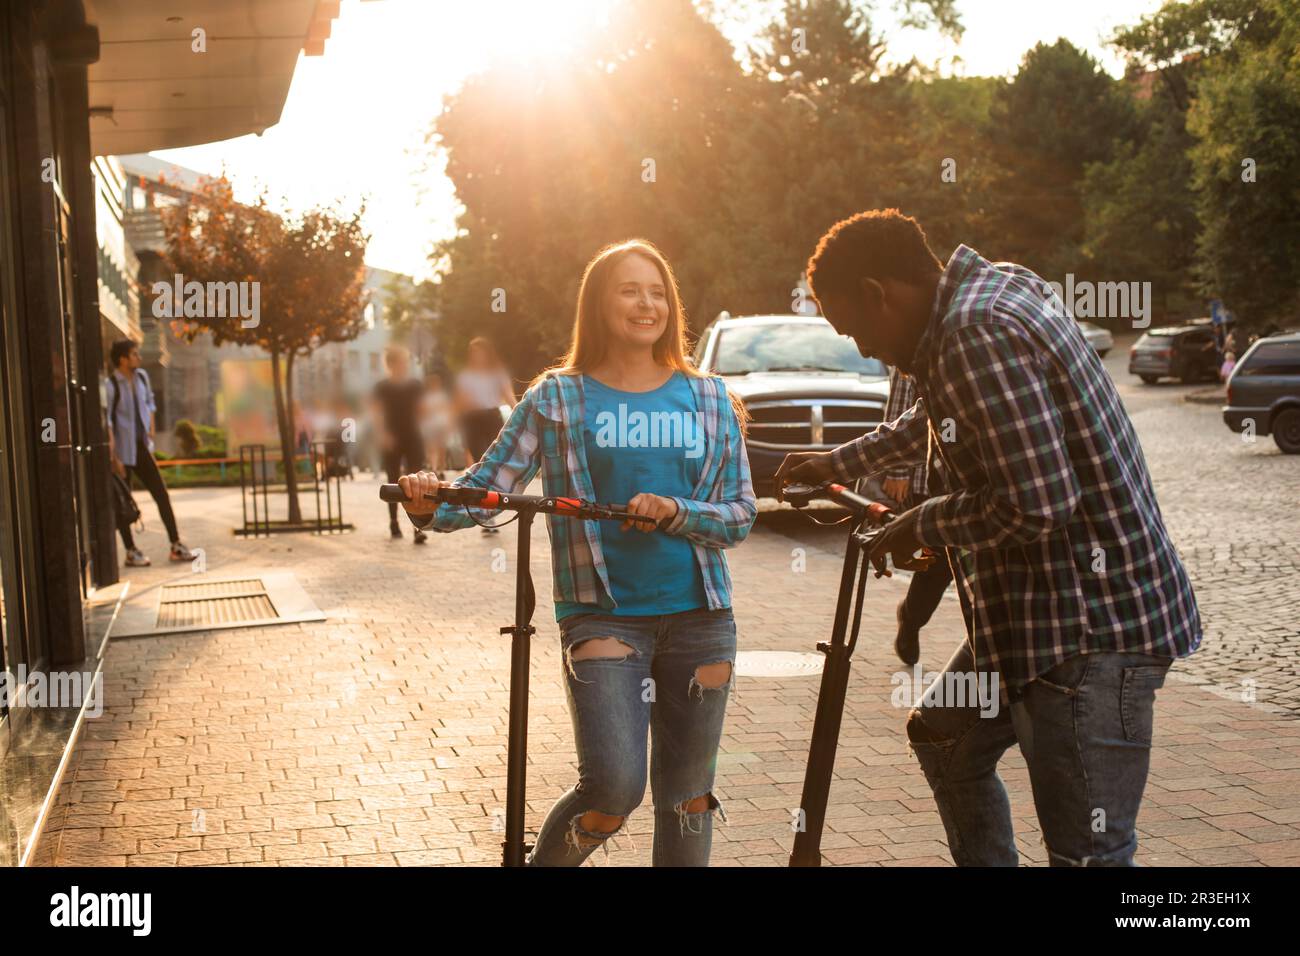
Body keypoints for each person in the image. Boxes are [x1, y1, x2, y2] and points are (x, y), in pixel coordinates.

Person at [776, 209, 1201, 867]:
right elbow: (942, 413)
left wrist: (919, 522)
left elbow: (1037, 506)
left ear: (876, 292)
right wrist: (844, 461)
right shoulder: (990, 294)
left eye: (854, 328)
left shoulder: (975, 335)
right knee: (946, 738)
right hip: (1036, 622)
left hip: (1089, 632)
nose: (862, 348)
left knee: (1089, 853)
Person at [399, 239, 756, 867]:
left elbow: (739, 514)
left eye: (657, 292)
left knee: (689, 797)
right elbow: (490, 487)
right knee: (614, 787)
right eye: (629, 289)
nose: (646, 304)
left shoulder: (708, 399)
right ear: (597, 304)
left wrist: (677, 512)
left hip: (701, 618)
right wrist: (430, 501)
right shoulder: (558, 398)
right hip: (602, 616)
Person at [878, 366, 953, 666]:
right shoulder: (910, 343)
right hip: (925, 481)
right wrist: (896, 471)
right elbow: (898, 410)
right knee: (937, 567)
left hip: (966, 481)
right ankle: (911, 618)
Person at [106, 340, 198, 567]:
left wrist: (151, 433)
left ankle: (176, 545)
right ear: (123, 359)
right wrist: (113, 457)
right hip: (123, 451)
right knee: (123, 502)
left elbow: (150, 404)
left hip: (142, 448)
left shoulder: (142, 378)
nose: (139, 357)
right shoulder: (111, 385)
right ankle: (130, 551)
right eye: (134, 354)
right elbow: (107, 421)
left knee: (161, 495)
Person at [454, 338, 517, 534]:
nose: (476, 356)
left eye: (479, 351)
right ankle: (484, 513)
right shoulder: (466, 376)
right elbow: (460, 402)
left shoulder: (497, 374)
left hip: (492, 417)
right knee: (480, 465)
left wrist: (521, 416)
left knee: (493, 464)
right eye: (473, 352)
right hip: (472, 420)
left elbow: (510, 397)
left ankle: (489, 510)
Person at [371, 346, 428, 543]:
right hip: (391, 438)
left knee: (416, 483)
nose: (405, 365)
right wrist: (383, 435)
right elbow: (376, 414)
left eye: (406, 361)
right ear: (391, 364)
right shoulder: (382, 387)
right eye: (401, 361)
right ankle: (394, 522)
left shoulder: (415, 385)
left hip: (413, 436)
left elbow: (422, 410)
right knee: (393, 480)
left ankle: (417, 526)